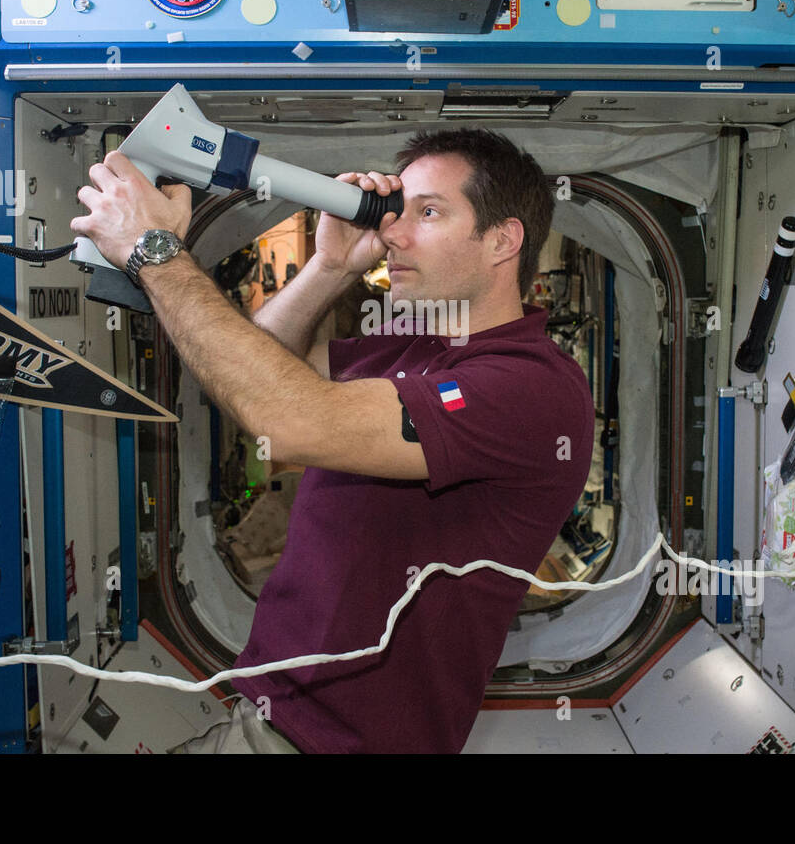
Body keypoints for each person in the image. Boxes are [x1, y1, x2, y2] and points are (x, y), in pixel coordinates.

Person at [73, 127, 594, 753]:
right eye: (398, 212)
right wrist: (329, 267)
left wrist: (152, 250)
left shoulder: (530, 388)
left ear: (503, 240)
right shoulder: (416, 346)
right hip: (272, 708)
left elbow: (289, 422)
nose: (396, 233)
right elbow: (254, 374)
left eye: (429, 212)